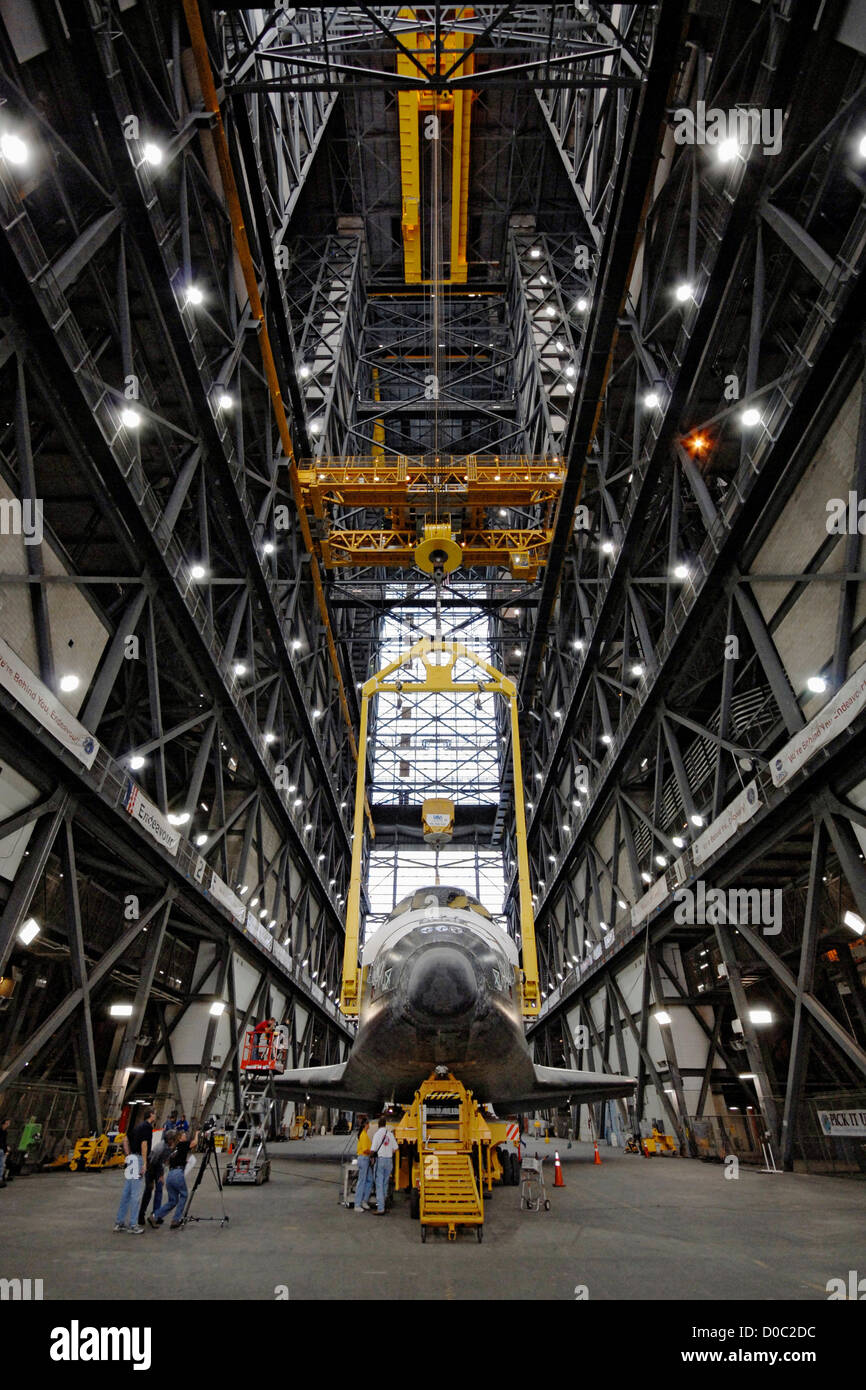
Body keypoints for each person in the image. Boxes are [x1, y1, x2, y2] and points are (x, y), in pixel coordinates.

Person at [148, 1126, 198, 1229]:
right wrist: (197, 1134)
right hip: (178, 1174)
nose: (185, 1137)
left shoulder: (172, 1148)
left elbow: (167, 1161)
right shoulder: (183, 1144)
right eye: (184, 1136)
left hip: (170, 1174)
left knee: (173, 1200)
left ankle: (155, 1215)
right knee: (184, 1195)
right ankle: (176, 1219)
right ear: (179, 1138)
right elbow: (194, 1143)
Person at [114, 1107, 154, 1234]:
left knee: (126, 1193)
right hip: (138, 1160)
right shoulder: (147, 1127)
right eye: (155, 1114)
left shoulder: (137, 1127)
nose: (155, 1117)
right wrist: (144, 1162)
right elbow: (144, 1144)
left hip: (131, 1159)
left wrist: (128, 1155)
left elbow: (125, 1139)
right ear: (151, 1115)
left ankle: (119, 1223)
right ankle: (133, 1224)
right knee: (136, 1194)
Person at [138, 1127, 168, 1226]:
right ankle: (141, 1214)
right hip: (151, 1167)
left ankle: (155, 1215)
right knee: (148, 1191)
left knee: (159, 1191)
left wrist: (161, 1175)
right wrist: (151, 1176)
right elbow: (153, 1160)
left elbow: (164, 1162)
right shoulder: (160, 1147)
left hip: (159, 1168)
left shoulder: (169, 1147)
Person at [370, 1116, 399, 1215]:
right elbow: (396, 1148)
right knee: (385, 1184)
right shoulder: (390, 1134)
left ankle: (381, 1208)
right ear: (385, 1124)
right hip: (389, 1161)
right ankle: (385, 1205)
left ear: (378, 1124)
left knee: (379, 1184)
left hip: (380, 1160)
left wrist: (371, 1157)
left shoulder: (377, 1134)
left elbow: (373, 1149)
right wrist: (389, 1152)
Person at [354, 1116, 374, 1213]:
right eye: (368, 1124)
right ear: (366, 1125)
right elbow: (365, 1150)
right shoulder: (363, 1135)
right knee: (362, 1181)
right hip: (363, 1159)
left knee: (370, 1179)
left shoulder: (365, 1135)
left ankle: (364, 1200)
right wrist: (373, 1153)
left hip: (366, 1159)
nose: (369, 1125)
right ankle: (357, 1204)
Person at [0, 1117, 9, 1187]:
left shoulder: (5, 1132)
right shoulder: (2, 1131)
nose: (8, 1125)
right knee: (1, 1165)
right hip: (1, 1150)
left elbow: (4, 1142)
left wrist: (6, 1150)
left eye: (8, 1124)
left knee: (2, 1165)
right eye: (6, 1123)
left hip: (2, 1150)